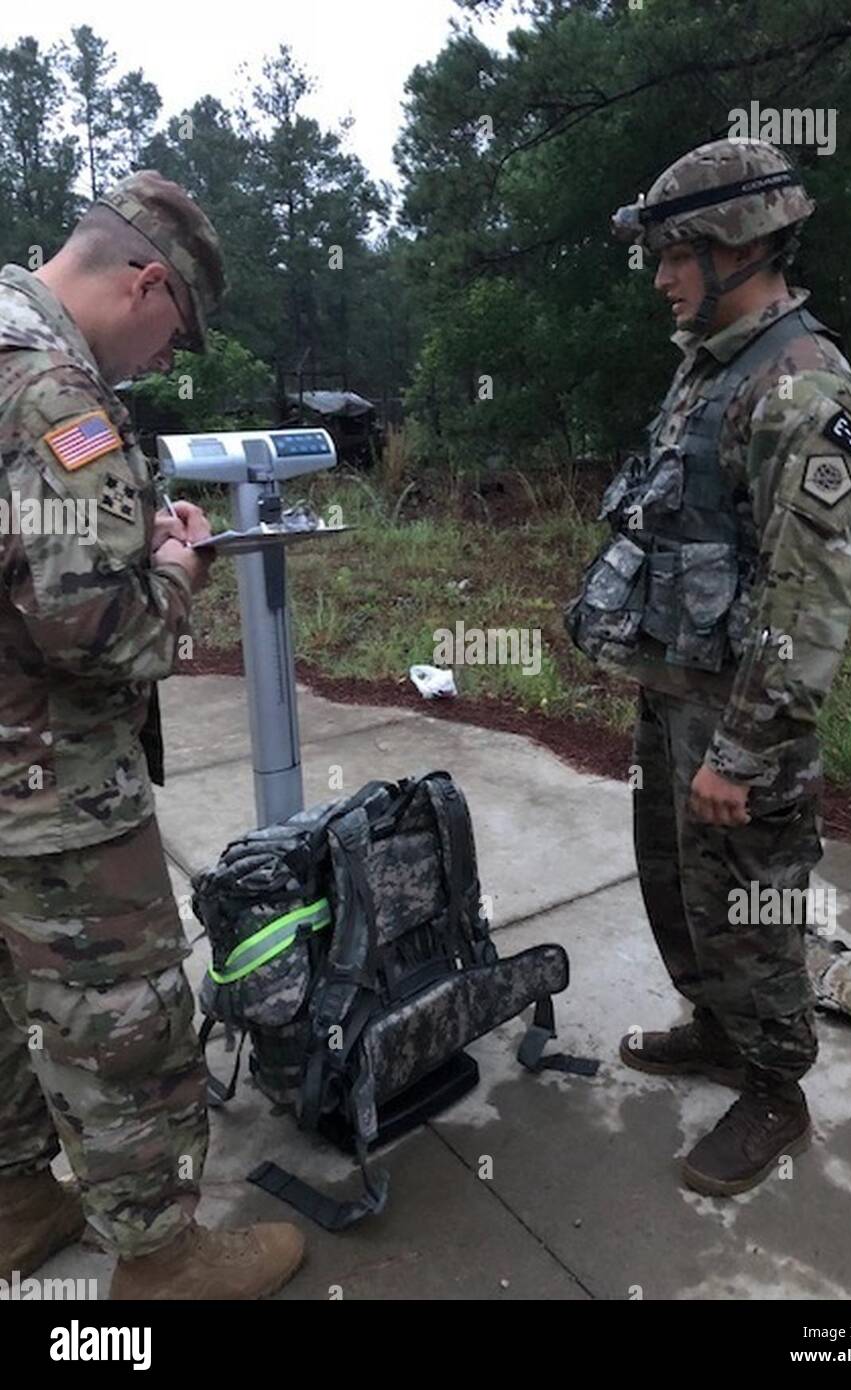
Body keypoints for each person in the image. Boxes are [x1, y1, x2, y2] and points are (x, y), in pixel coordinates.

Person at [0, 171, 305, 1297]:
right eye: (175, 331)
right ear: (146, 281)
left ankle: (20, 1201)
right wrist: (175, 565)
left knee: (8, 1007)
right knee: (119, 1022)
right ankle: (163, 1259)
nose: (165, 361)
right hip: (53, 793)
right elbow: (97, 633)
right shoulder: (48, 395)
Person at [569, 138, 851, 1196]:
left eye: (674, 254)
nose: (660, 276)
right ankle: (712, 1027)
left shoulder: (801, 385)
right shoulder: (712, 366)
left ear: (738, 247)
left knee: (753, 907)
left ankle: (776, 1088)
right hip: (677, 699)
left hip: (743, 721)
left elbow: (812, 592)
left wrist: (743, 752)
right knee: (675, 881)